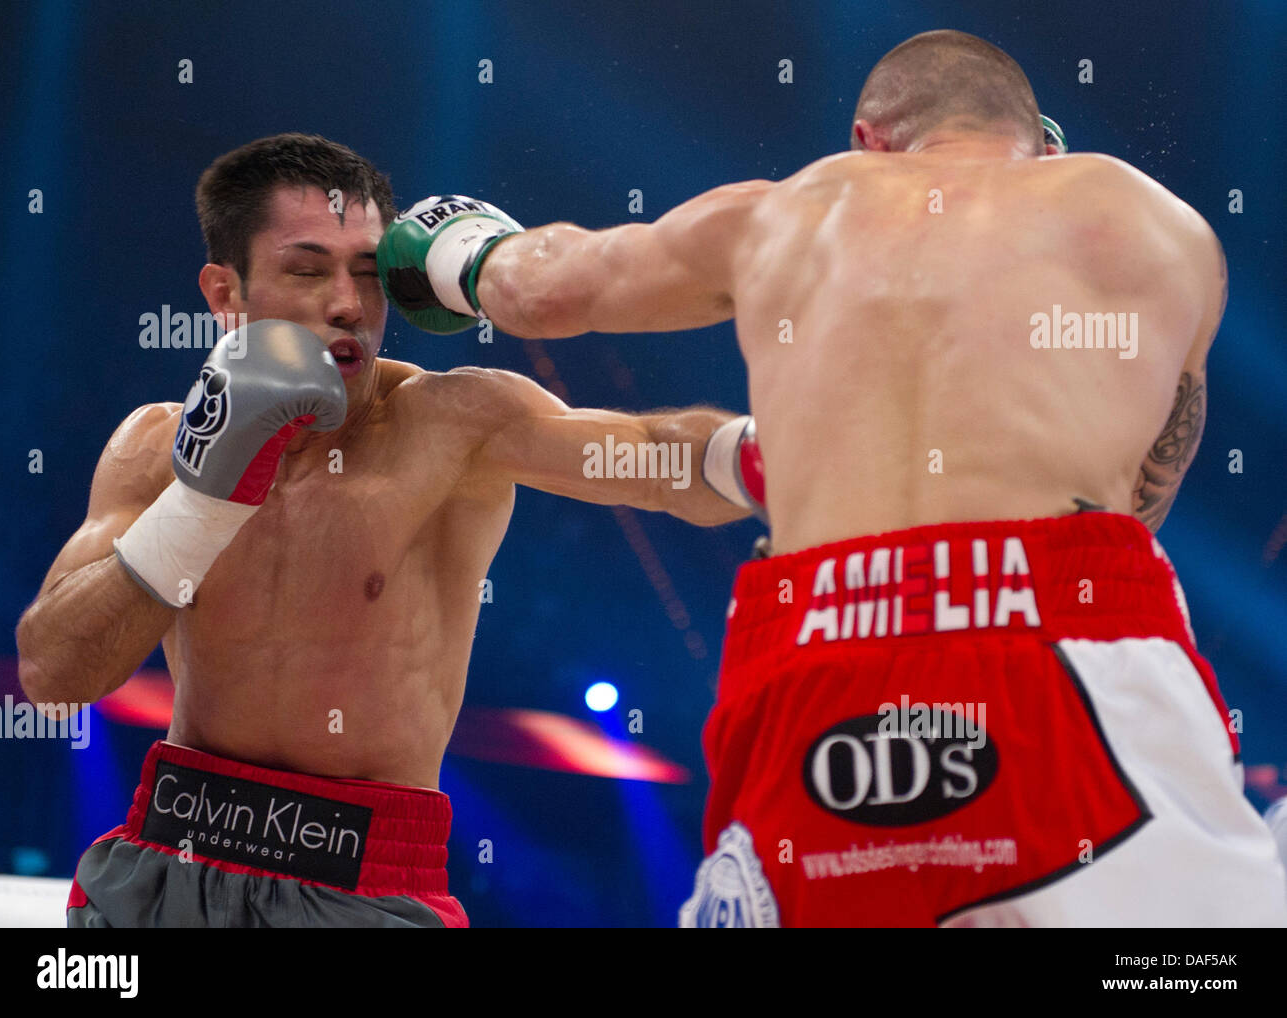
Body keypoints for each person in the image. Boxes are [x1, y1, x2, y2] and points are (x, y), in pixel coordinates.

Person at [409, 30, 1287, 926]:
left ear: (868, 139)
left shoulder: (792, 206)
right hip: (1066, 638)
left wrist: (461, 252)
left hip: (815, 657)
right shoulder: (1152, 219)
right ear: (1041, 147)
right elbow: (1145, 493)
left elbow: (546, 291)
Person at [14, 133, 751, 928]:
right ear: (224, 292)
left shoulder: (454, 421)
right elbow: (53, 676)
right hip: (163, 864)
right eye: (306, 271)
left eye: (369, 274)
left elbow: (656, 463)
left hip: (362, 882)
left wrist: (788, 447)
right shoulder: (155, 447)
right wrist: (201, 502)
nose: (348, 303)